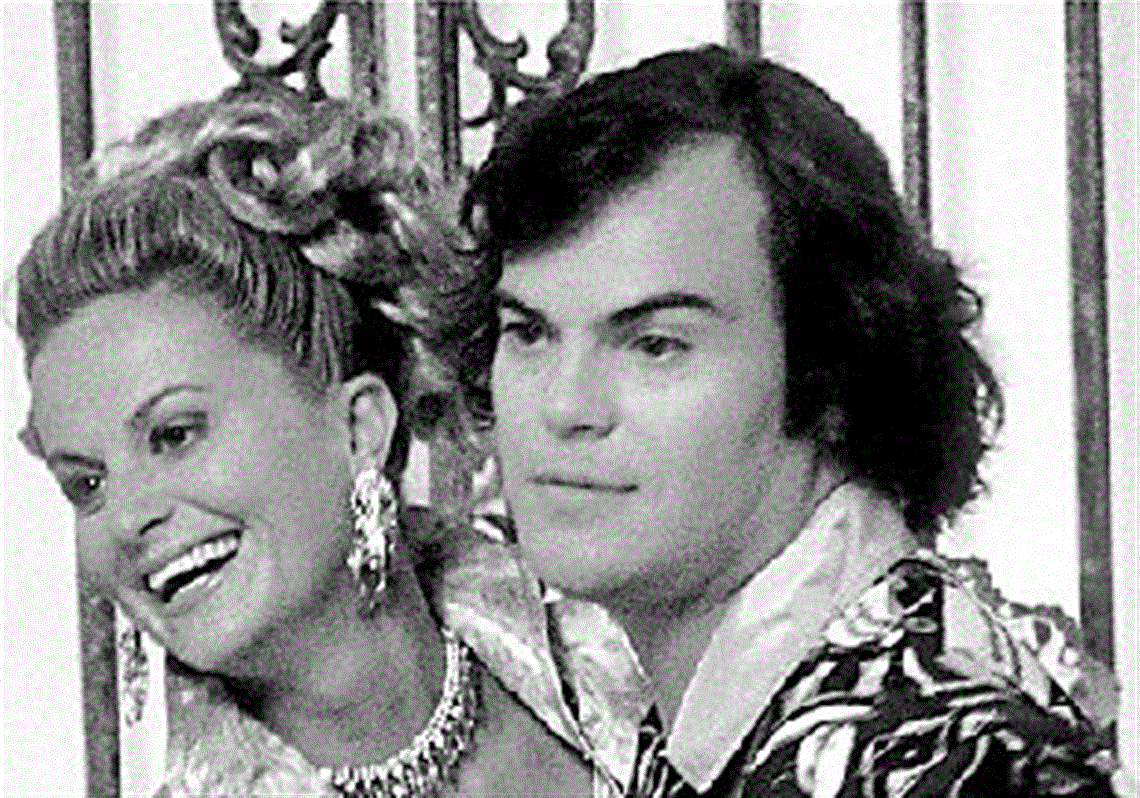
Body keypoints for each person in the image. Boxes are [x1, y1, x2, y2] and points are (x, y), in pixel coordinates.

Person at [461, 45, 1120, 797]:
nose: (564, 407)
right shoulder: (746, 719)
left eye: (655, 345)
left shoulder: (941, 764)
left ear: (833, 369)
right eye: (529, 332)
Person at [15, 83, 592, 797]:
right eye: (86, 484)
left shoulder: (620, 671)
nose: (128, 518)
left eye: (174, 435)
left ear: (359, 429)